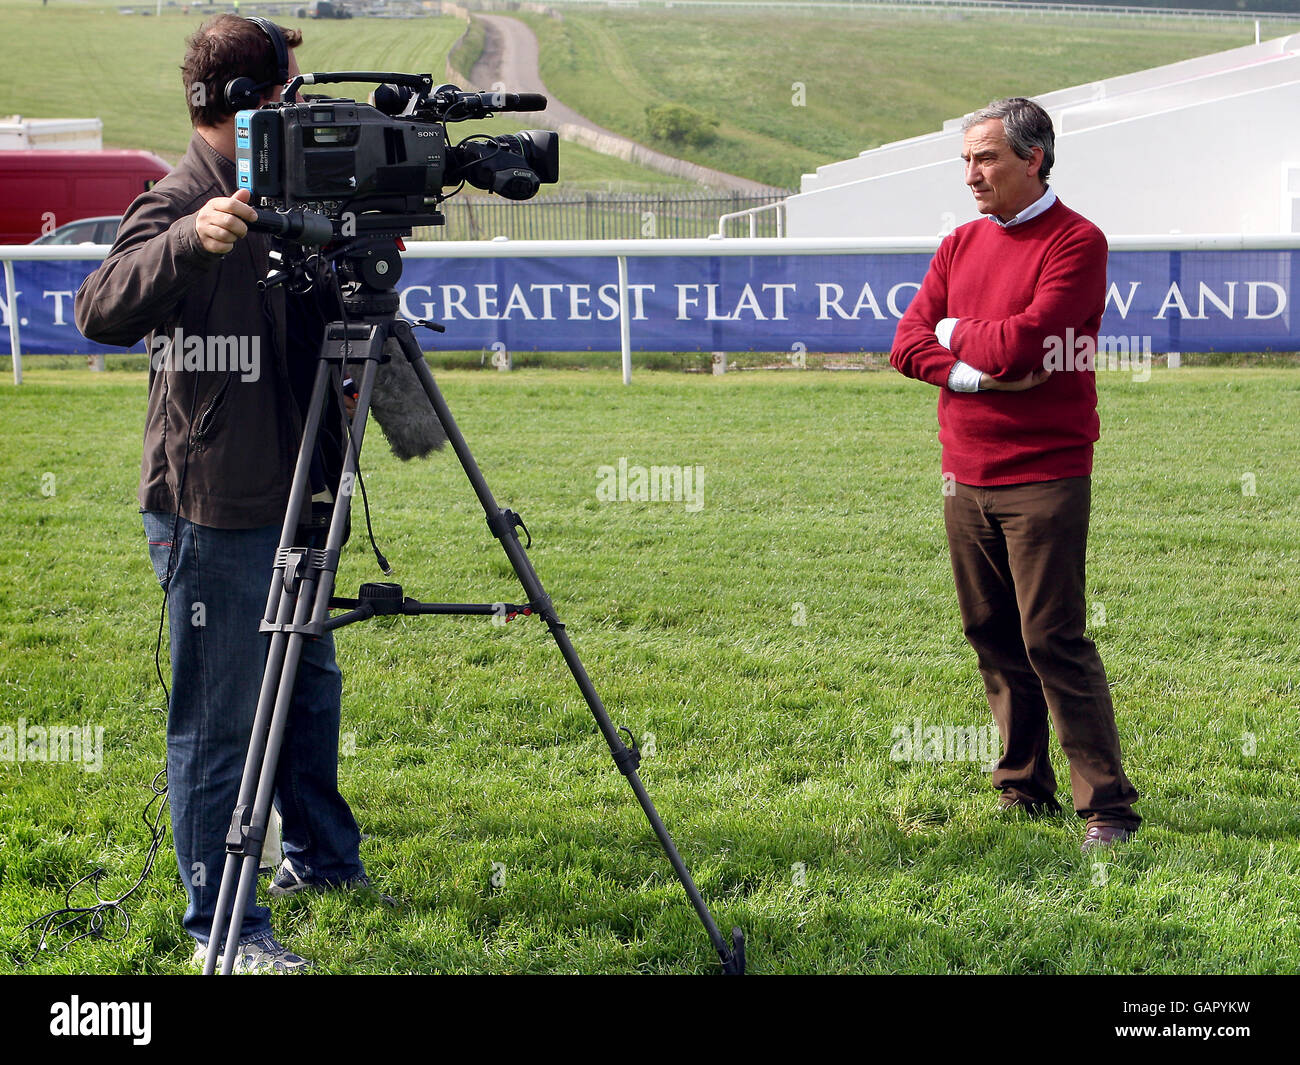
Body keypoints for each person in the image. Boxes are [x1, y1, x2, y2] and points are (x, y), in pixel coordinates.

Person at [75, 14, 374, 972]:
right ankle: (223, 924)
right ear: (249, 105)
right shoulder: (180, 199)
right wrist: (193, 244)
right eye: (287, 95)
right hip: (213, 504)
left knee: (310, 683)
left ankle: (324, 860)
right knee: (219, 717)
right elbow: (100, 307)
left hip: (298, 490)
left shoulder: (283, 189)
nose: (297, 109)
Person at [889, 97, 1139, 854]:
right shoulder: (958, 243)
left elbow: (1029, 345)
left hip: (1045, 474)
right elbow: (905, 342)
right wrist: (970, 376)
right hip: (963, 475)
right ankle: (1022, 785)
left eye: (986, 157)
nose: (971, 173)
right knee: (990, 633)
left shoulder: (1078, 241)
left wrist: (956, 334)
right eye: (966, 159)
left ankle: (1109, 809)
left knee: (1052, 637)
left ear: (1035, 158)